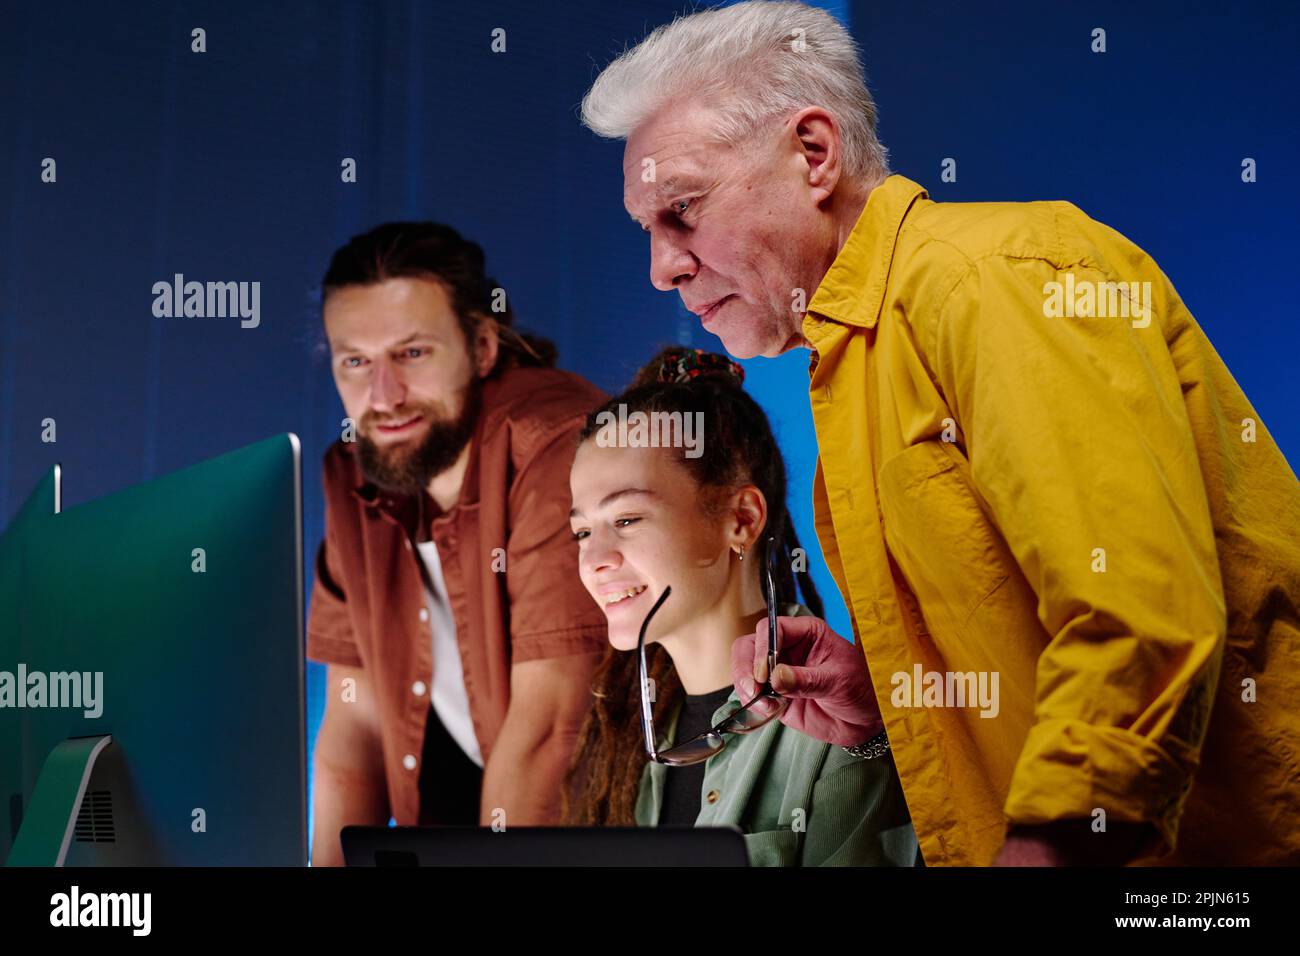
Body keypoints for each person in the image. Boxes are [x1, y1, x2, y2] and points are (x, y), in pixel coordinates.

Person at [579, 1, 1300, 865]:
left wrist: (1053, 842)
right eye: (646, 232)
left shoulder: (995, 278)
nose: (663, 267)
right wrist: (881, 715)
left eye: (683, 211)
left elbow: (1138, 617)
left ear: (814, 153)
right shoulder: (851, 363)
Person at [306, 222, 608, 865]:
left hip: (578, 835)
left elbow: (553, 730)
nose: (382, 397)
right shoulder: (355, 471)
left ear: (480, 346)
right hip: (451, 827)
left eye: (412, 354)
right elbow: (351, 732)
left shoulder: (556, 443)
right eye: (355, 361)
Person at [564, 346, 919, 866]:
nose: (593, 558)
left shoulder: (844, 729)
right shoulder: (626, 736)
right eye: (581, 531)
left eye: (627, 520)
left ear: (742, 519)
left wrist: (871, 747)